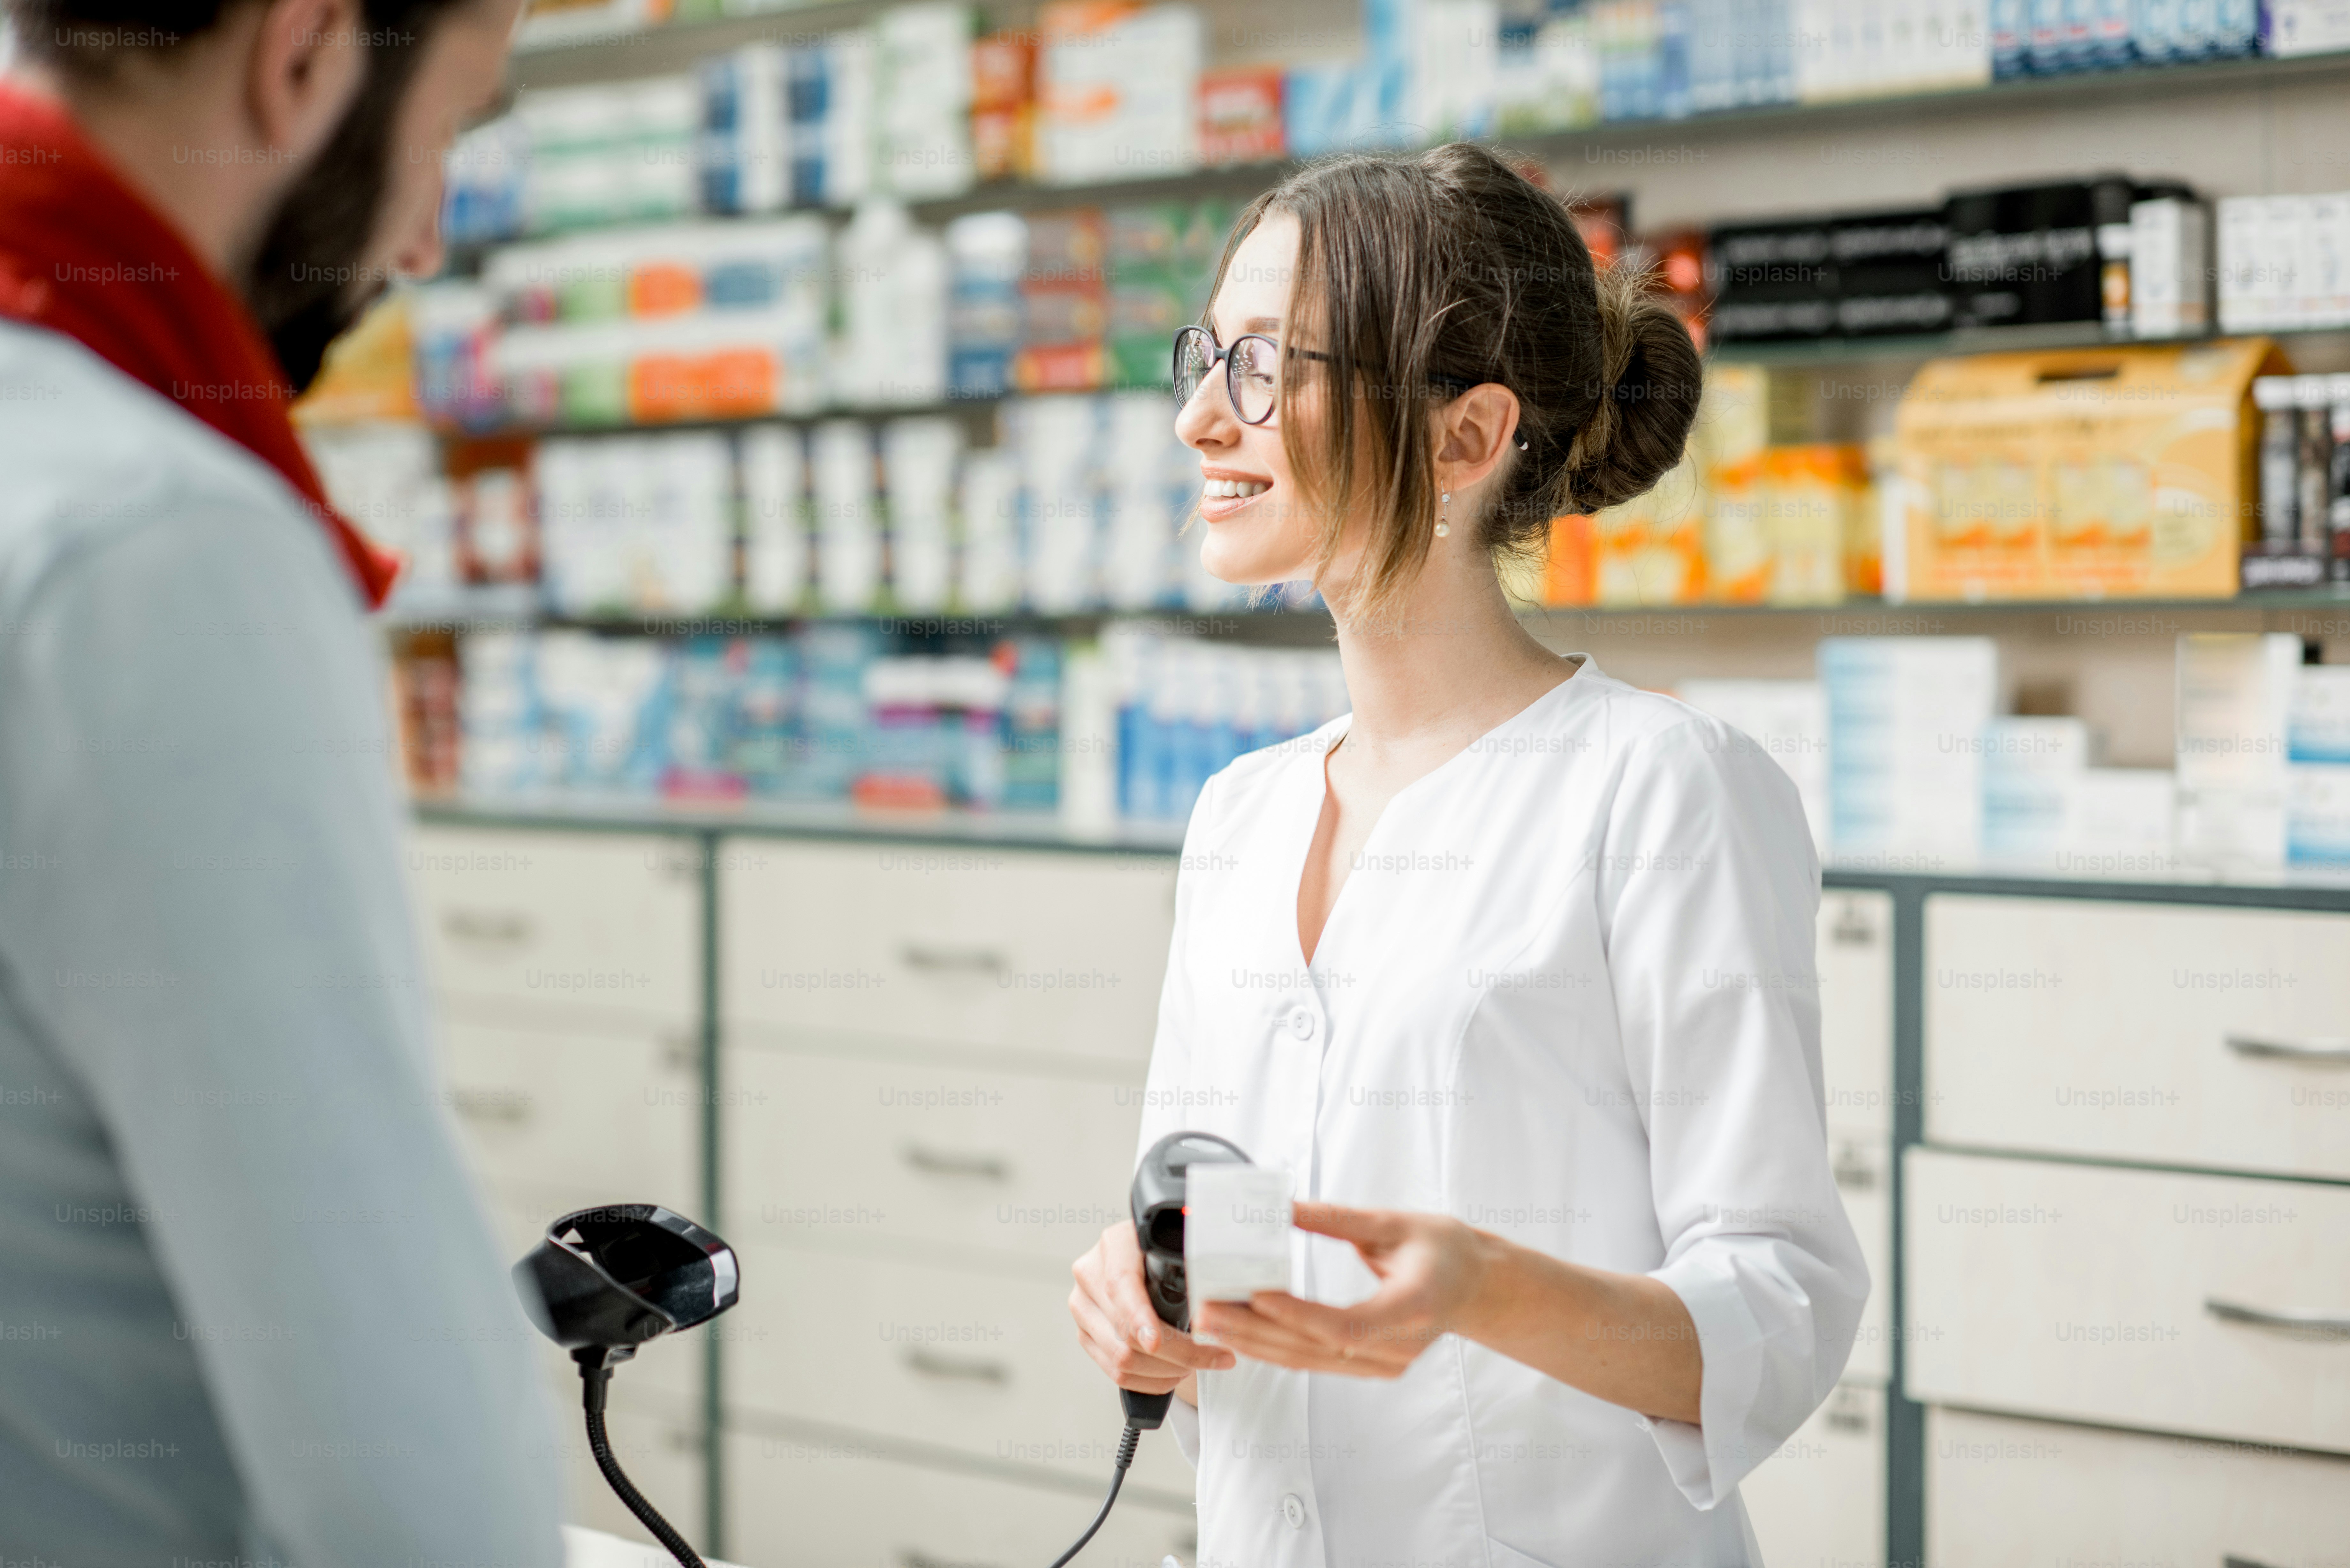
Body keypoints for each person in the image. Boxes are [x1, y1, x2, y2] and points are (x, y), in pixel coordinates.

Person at [1067, 143, 1869, 1567]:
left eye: (1264, 366)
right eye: (1205, 357)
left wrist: (1482, 1286)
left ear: (1463, 435)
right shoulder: (1241, 815)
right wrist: (1148, 1301)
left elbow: (1780, 1306)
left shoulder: (1658, 789)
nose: (1198, 416)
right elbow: (1217, 1224)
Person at [0, 0, 566, 1563]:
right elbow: (403, 1479)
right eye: (446, 132)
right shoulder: (157, 547)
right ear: (306, 51)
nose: (429, 239)